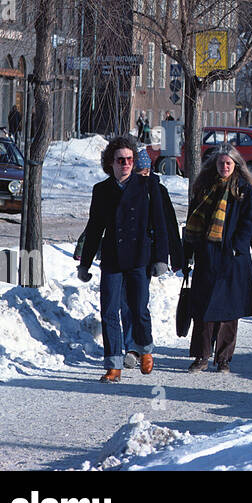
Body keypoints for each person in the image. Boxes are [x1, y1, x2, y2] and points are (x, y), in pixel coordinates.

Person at [78, 135, 182, 382]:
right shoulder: (101, 190)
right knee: (109, 311)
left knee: (138, 308)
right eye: (120, 160)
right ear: (110, 163)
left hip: (139, 257)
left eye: (129, 160)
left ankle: (145, 347)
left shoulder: (147, 187)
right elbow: (94, 228)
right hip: (113, 258)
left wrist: (161, 258)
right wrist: (84, 263)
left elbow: (160, 223)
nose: (125, 164)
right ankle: (113, 364)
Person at [184, 146, 252, 373]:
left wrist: (237, 247)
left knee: (228, 312)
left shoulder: (244, 190)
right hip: (207, 255)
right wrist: (187, 253)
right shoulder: (204, 188)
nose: (224, 167)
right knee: (203, 309)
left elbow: (248, 223)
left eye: (228, 163)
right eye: (221, 163)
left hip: (232, 259)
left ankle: (224, 358)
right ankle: (201, 356)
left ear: (236, 165)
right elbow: (192, 220)